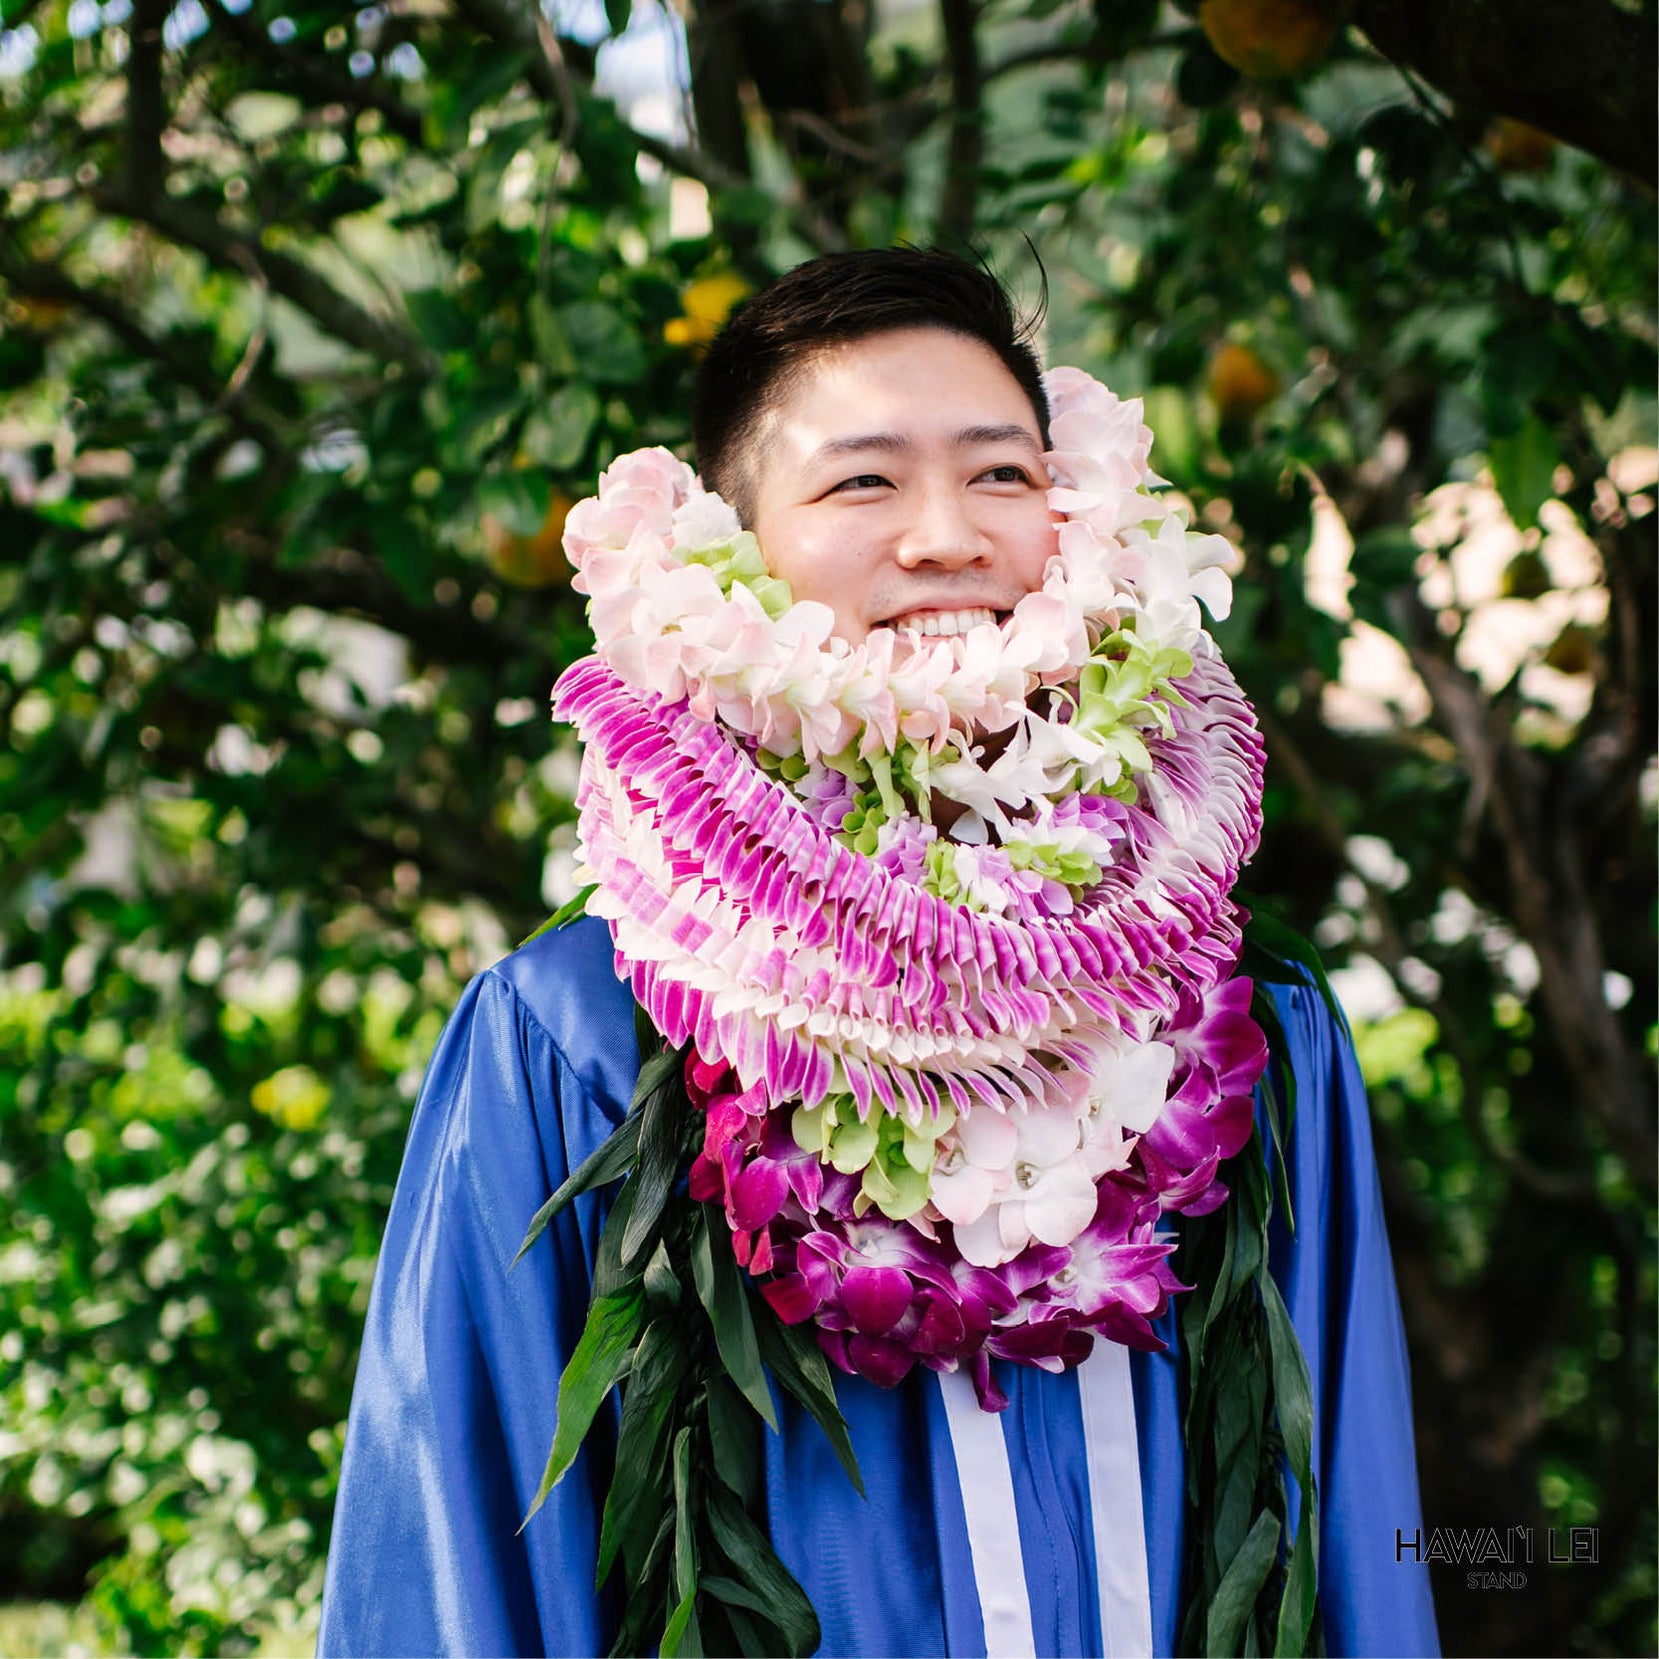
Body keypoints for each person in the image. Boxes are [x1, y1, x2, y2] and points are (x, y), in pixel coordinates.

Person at [318, 249, 1439, 1658]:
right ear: (727, 553)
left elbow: (1358, 1524)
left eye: (1001, 476)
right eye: (863, 482)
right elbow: (456, 1565)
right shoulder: (580, 1035)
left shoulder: (1243, 1029)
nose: (947, 536)